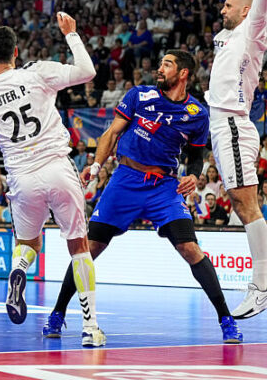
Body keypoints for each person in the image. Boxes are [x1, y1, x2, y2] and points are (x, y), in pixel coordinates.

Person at [45, 49, 242, 344]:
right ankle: (57, 314)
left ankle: (226, 320)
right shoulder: (139, 95)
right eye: (160, 62)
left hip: (163, 186)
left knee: (190, 249)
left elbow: (196, 156)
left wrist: (194, 174)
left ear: (183, 73)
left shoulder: (197, 114)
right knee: (88, 249)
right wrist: (96, 166)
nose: (159, 68)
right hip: (125, 180)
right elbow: (111, 134)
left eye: (167, 64)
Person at [0, 13, 106, 347]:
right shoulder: (37, 72)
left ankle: (18, 272)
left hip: (22, 179)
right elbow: (88, 71)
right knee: (78, 247)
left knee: (29, 244)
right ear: (16, 52)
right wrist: (71, 35)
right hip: (58, 168)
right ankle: (90, 327)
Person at [207, 0, 267, 319]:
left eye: (229, 5)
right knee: (242, 203)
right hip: (220, 123)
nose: (222, 9)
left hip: (232, 121)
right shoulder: (236, 28)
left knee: (246, 204)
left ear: (247, 11)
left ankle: (261, 285)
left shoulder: (254, 29)